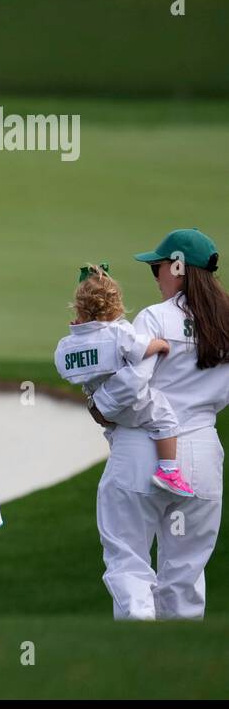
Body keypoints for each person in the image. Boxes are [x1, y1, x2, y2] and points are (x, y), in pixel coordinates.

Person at [89, 229, 229, 620]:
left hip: (143, 448)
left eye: (158, 267)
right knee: (186, 575)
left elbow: (133, 384)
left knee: (128, 562)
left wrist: (100, 406)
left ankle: (138, 648)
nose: (156, 275)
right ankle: (174, 655)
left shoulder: (155, 317)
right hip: (203, 453)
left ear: (178, 268)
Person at [54, 264, 190, 496]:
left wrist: (80, 334)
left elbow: (64, 368)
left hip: (102, 407)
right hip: (133, 404)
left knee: (113, 432)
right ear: (114, 305)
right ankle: (168, 470)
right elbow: (139, 350)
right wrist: (159, 345)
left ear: (79, 308)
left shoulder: (67, 344)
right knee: (165, 419)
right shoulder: (118, 333)